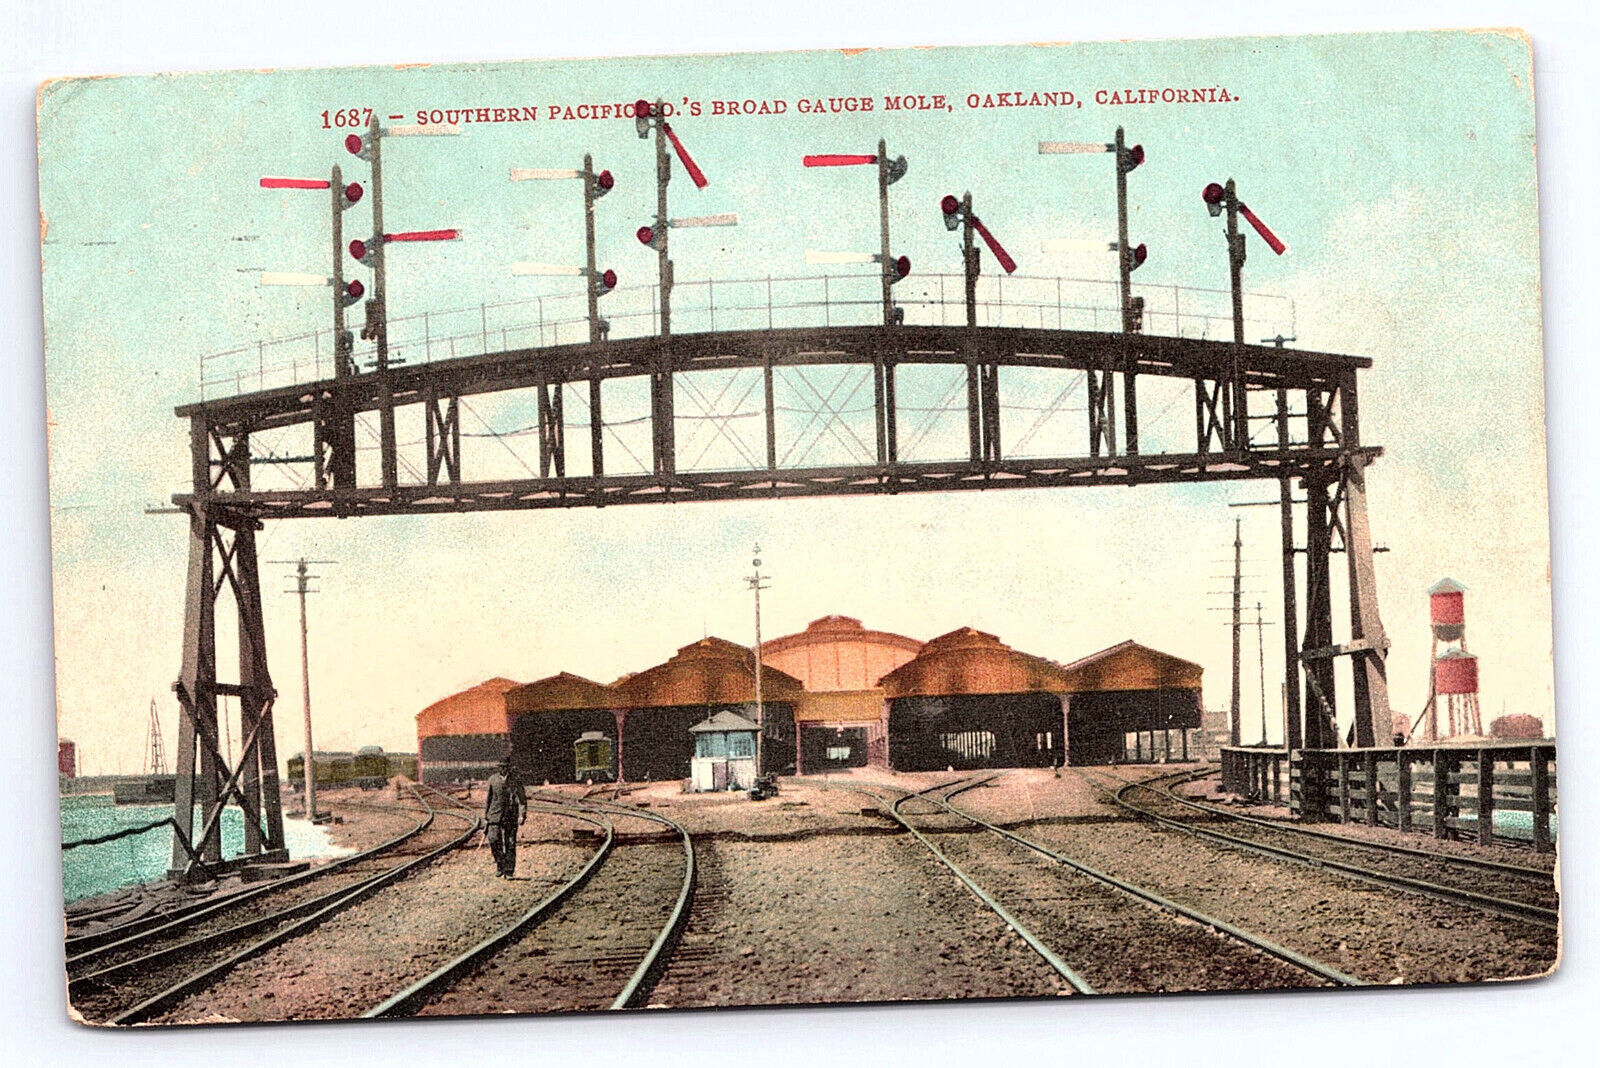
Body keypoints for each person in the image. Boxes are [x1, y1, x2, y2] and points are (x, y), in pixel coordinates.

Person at [483, 757, 527, 879]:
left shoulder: (515, 780)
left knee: (510, 843)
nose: (503, 769)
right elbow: (488, 799)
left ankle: (509, 871)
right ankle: (500, 864)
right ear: (498, 768)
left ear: (509, 767)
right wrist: (486, 816)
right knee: (493, 839)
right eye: (501, 767)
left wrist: (522, 814)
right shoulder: (493, 780)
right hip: (495, 815)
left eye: (505, 766)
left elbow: (522, 799)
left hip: (511, 815)